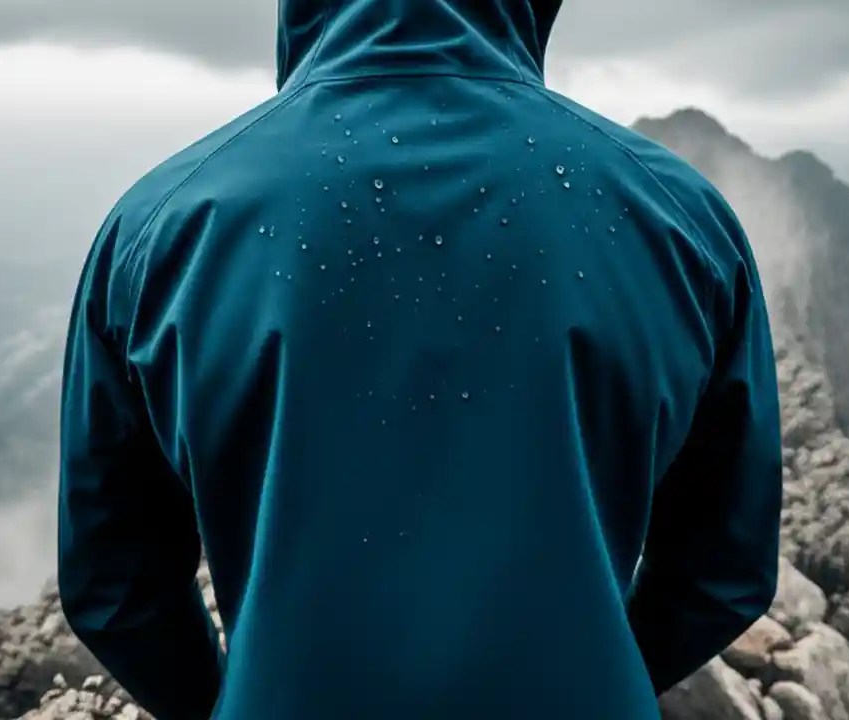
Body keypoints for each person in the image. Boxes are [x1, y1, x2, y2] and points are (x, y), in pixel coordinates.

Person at [57, 0, 783, 717]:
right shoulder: (682, 222)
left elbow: (114, 589)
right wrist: (598, 676)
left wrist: (232, 700)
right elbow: (726, 573)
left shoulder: (159, 228)